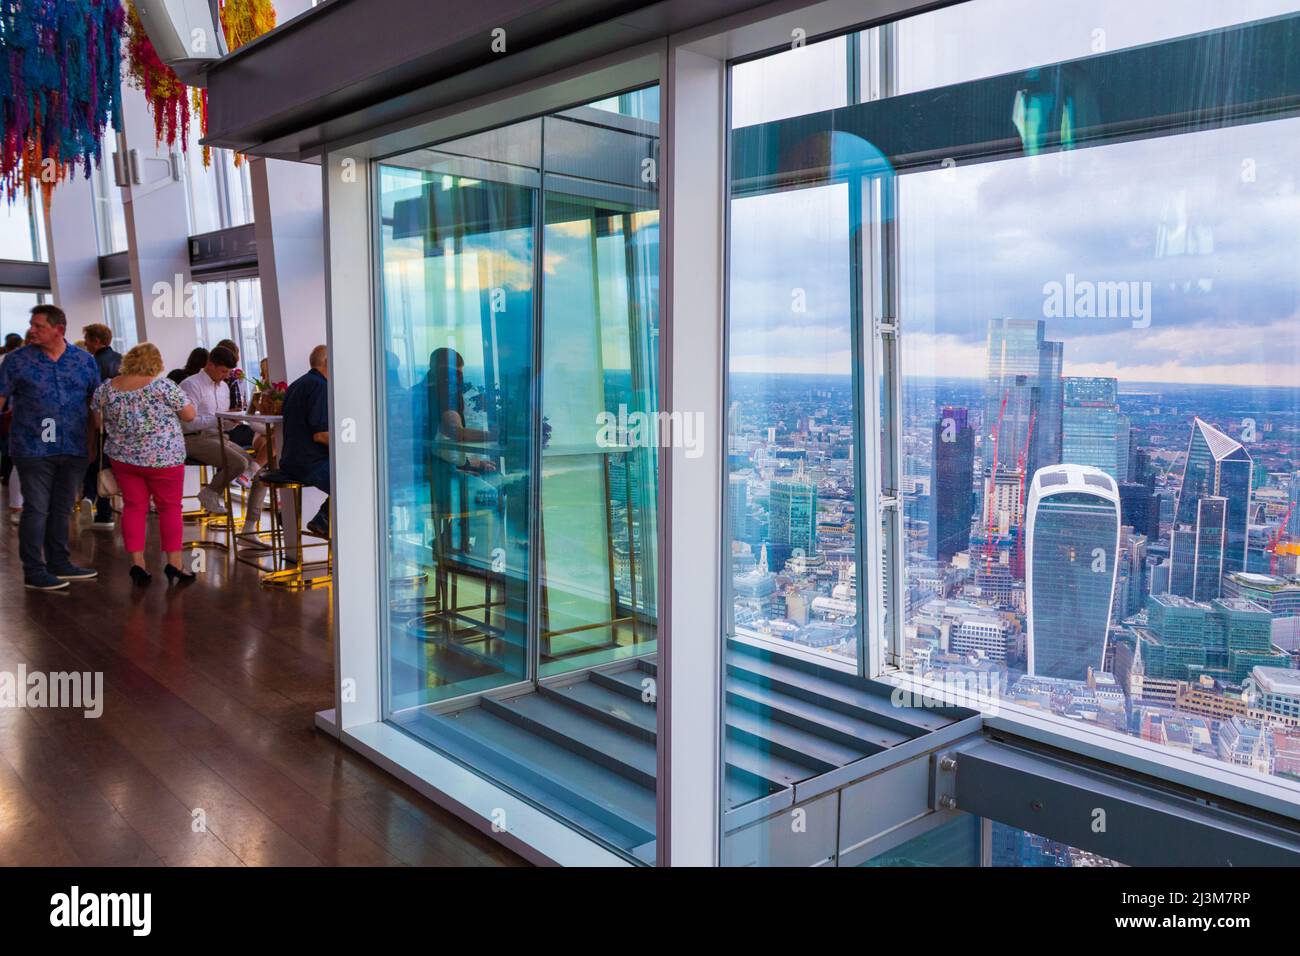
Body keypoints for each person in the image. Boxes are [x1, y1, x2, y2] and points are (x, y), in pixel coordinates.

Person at [0, 305, 101, 591]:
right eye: (32, 324)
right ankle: (34, 571)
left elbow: (93, 405)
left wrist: (92, 446)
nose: (32, 330)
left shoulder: (84, 361)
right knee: (37, 508)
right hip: (32, 448)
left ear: (59, 329)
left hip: (74, 447)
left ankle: (60, 563)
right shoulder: (16, 361)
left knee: (62, 507)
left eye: (39, 326)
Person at [92, 343, 197, 586]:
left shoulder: (106, 389)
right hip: (164, 459)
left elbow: (98, 425)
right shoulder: (163, 386)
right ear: (156, 363)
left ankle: (138, 565)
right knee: (169, 509)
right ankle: (175, 564)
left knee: (134, 508)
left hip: (124, 459)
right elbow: (190, 415)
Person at [178, 345, 249, 515]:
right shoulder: (191, 385)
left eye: (228, 372)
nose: (226, 376)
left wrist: (233, 421)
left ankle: (250, 522)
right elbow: (187, 423)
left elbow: (221, 423)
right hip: (192, 438)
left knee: (254, 465)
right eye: (223, 371)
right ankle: (210, 492)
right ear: (210, 364)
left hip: (217, 436)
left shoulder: (223, 387)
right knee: (240, 463)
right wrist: (221, 418)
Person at [278, 345, 331, 537]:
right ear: (327, 362)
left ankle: (322, 518)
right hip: (310, 463)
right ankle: (323, 520)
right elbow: (321, 434)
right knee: (354, 481)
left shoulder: (298, 384)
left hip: (290, 461)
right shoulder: (320, 386)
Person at [81, 323, 123, 528]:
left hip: (95, 420)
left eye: (88, 340)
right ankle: (103, 513)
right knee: (107, 464)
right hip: (120, 423)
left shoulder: (89, 363)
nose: (86, 344)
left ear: (96, 341)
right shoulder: (123, 361)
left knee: (95, 462)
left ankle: (92, 500)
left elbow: (85, 394)